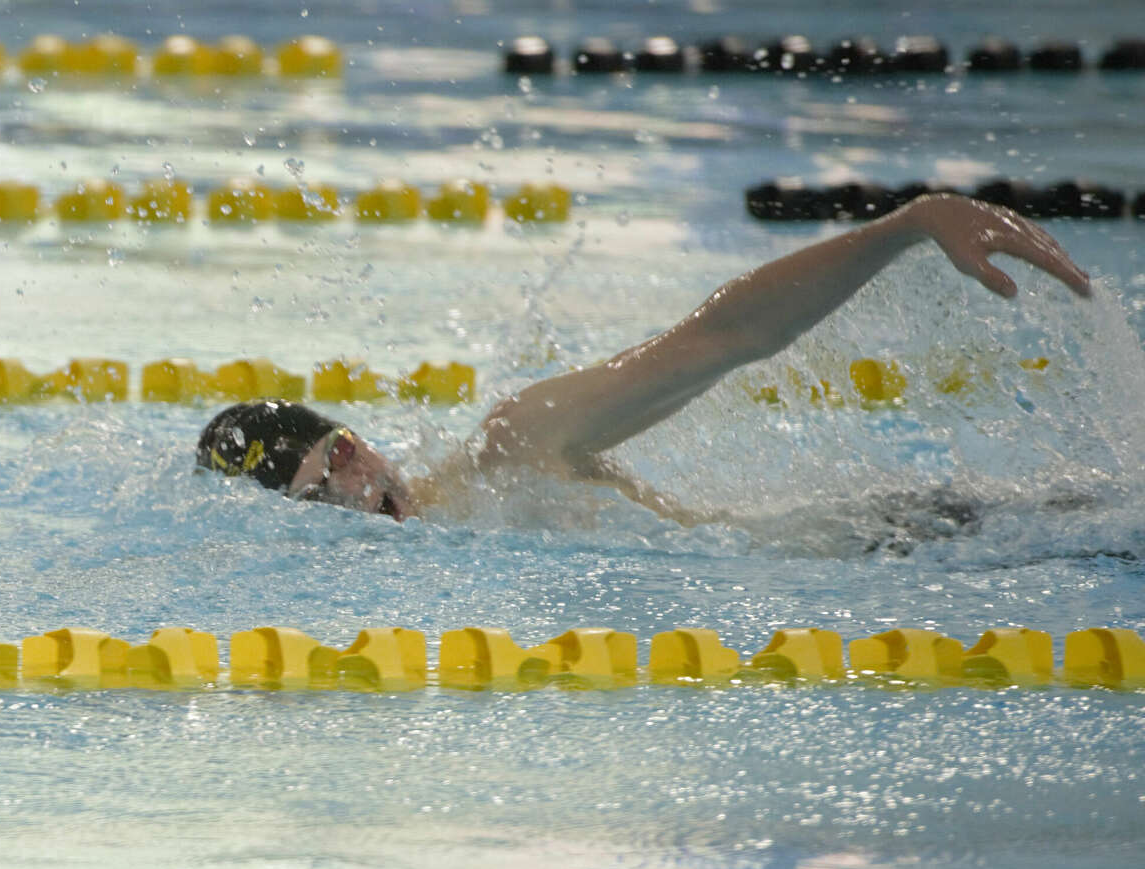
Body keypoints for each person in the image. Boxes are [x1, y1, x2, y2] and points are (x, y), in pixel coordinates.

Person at [197, 194, 1092, 524]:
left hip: (904, 543)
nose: (347, 504)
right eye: (315, 508)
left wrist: (907, 226)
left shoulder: (512, 449)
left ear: (357, 444)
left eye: (333, 471)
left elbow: (722, 338)